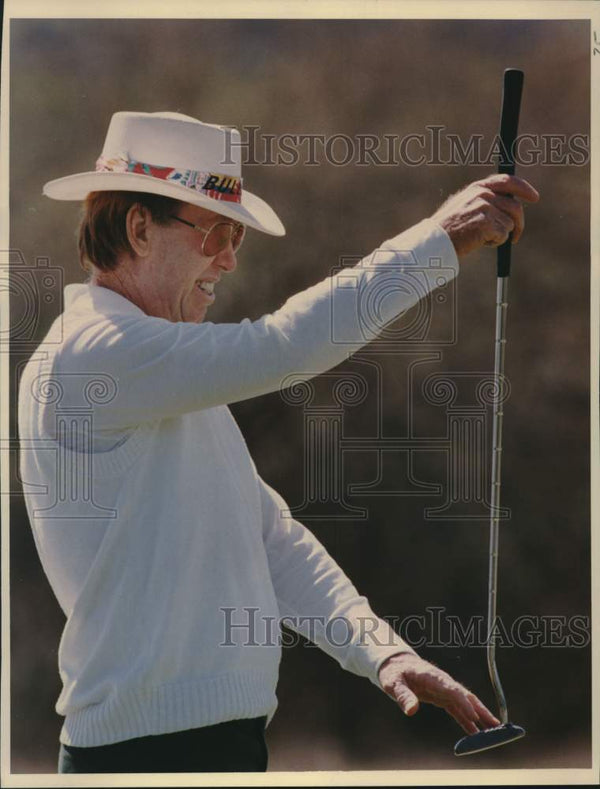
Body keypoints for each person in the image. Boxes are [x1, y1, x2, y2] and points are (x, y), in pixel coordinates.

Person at [18, 111, 539, 773]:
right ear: (138, 228)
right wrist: (438, 241)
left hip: (218, 745)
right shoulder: (94, 353)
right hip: (141, 756)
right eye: (215, 232)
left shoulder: (155, 368)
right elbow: (285, 346)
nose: (230, 258)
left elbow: (267, 535)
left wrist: (384, 651)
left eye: (236, 235)